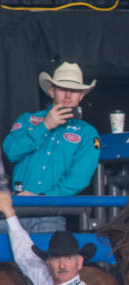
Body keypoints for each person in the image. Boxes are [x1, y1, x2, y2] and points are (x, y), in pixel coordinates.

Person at [2, 62, 100, 233]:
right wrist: (45, 126)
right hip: (15, 208)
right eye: (63, 89)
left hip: (51, 213)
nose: (68, 95)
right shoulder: (27, 120)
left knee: (49, 260)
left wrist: (42, 198)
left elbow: (79, 179)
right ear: (51, 91)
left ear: (81, 96)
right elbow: (11, 152)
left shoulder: (87, 133)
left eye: (74, 90)